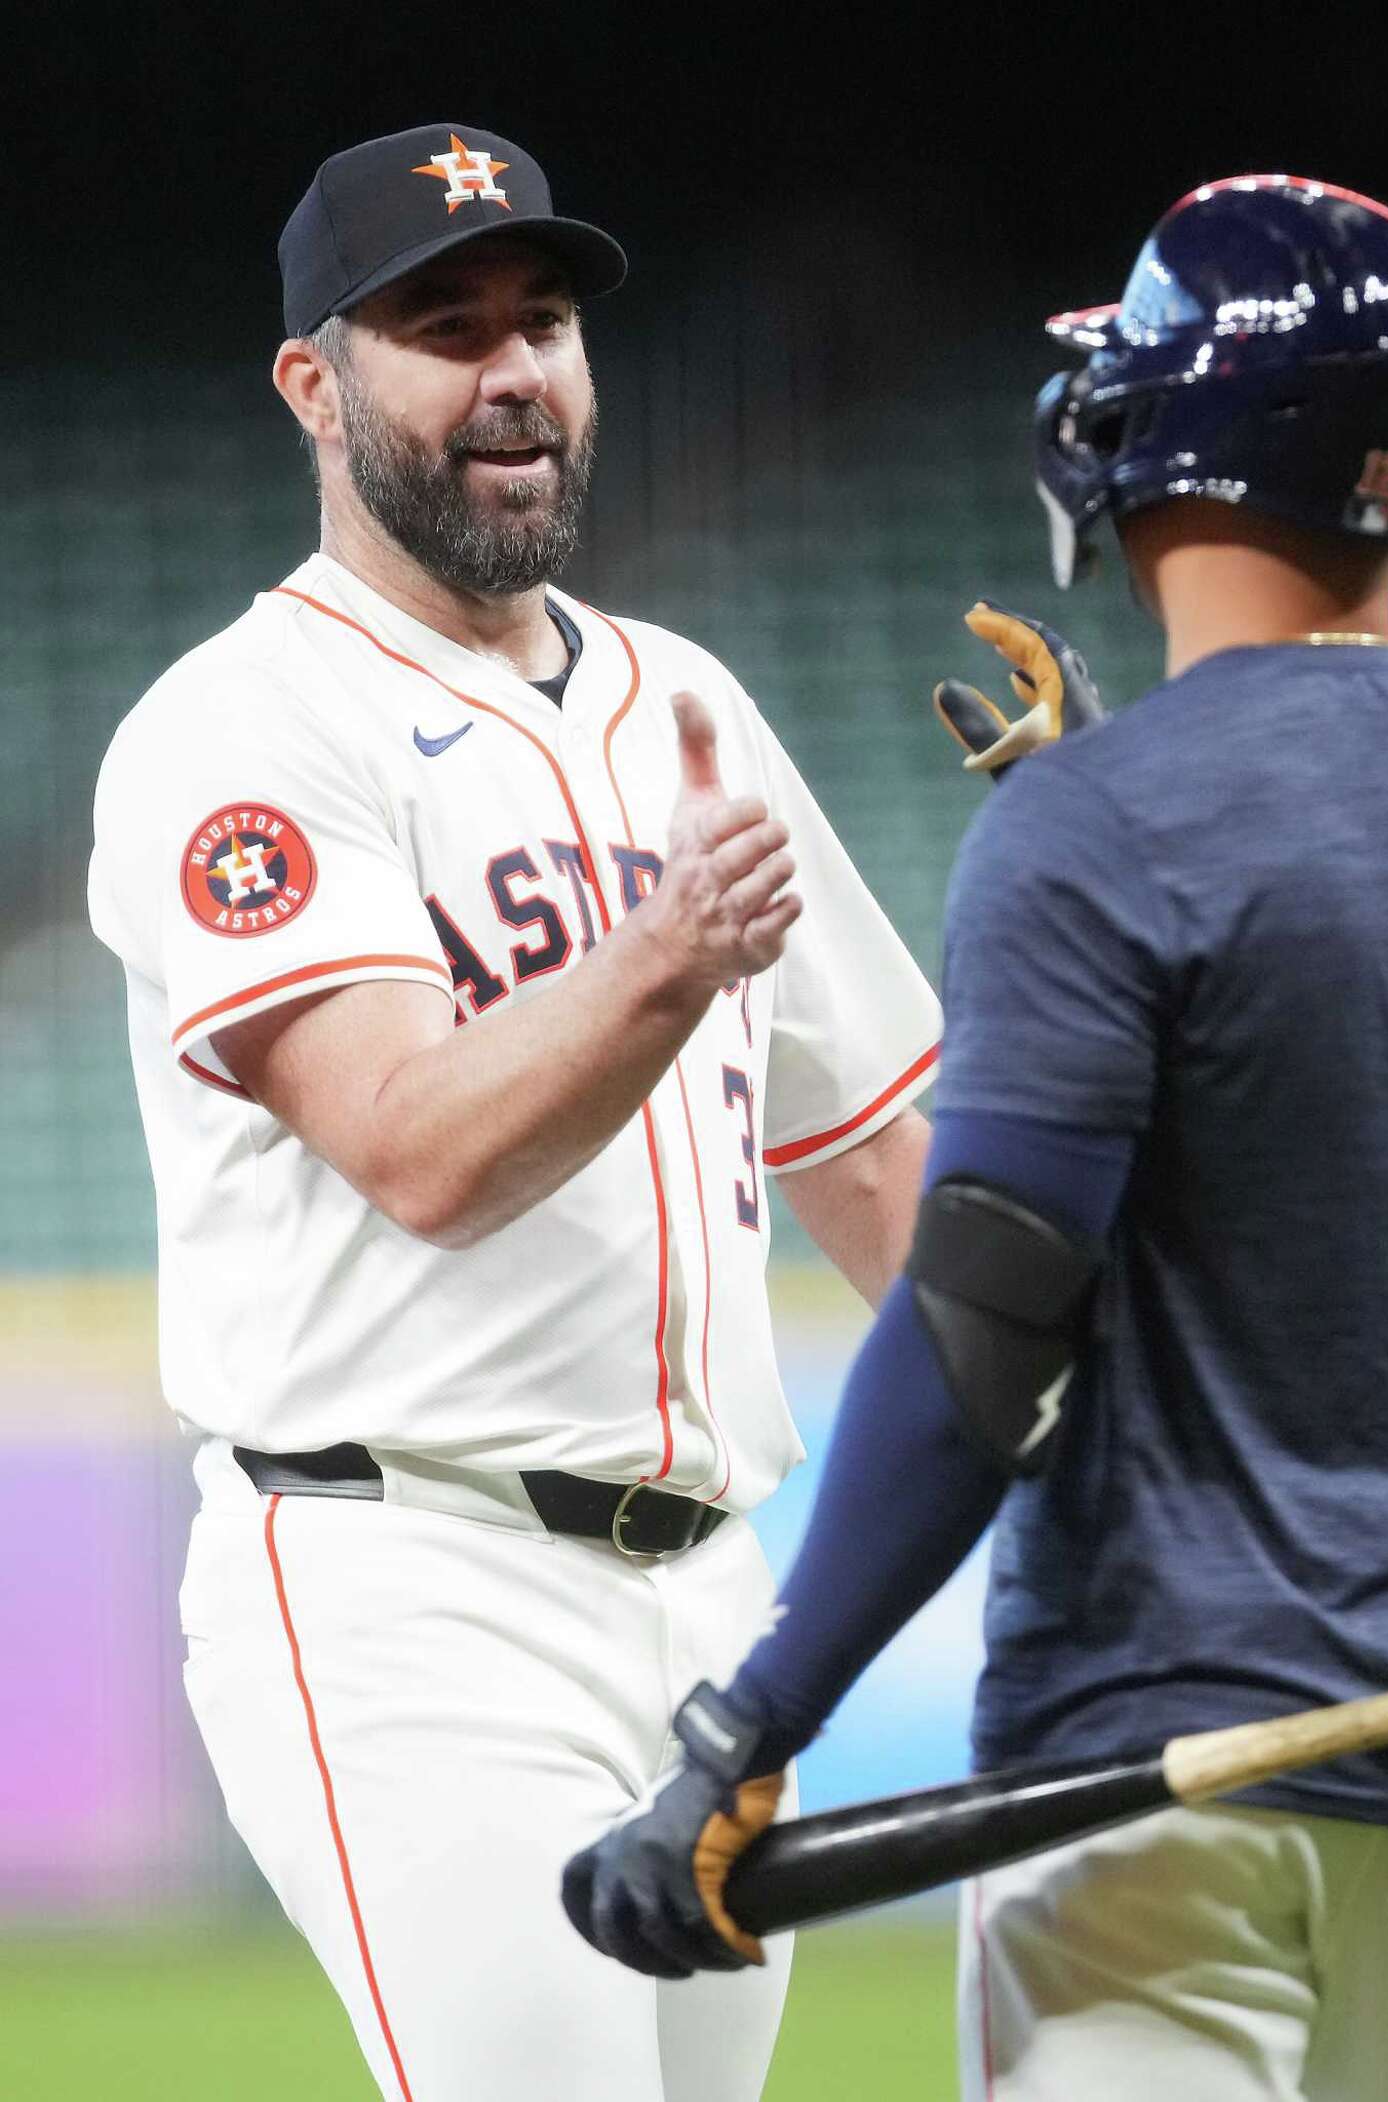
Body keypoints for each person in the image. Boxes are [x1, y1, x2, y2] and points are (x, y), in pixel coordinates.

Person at [564, 175, 1388, 2102]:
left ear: (1166, 433)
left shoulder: (1103, 833)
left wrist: (752, 1720)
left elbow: (983, 1328)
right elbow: (1321, 1082)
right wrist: (1118, 801)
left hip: (1153, 1764)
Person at [86, 123, 940, 2102]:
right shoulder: (243, 726)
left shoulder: (682, 699)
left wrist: (1127, 1458)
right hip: (413, 1580)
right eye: (442, 324)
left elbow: (891, 1163)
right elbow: (418, 1144)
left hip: (712, 1607)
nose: (514, 368)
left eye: (543, 319)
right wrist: (663, 955)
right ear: (314, 383)